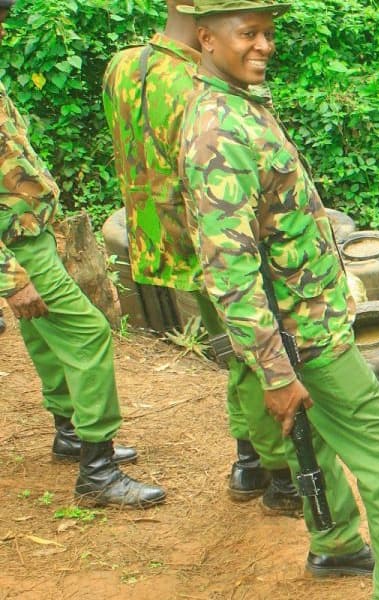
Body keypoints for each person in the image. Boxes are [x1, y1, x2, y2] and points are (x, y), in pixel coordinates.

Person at [177, 0, 379, 595]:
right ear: (207, 38)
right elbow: (229, 268)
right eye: (249, 34)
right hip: (302, 336)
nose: (263, 45)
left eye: (267, 33)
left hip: (300, 321)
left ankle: (336, 544)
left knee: (312, 438)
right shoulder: (218, 131)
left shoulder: (235, 103)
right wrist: (274, 369)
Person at [102, 0, 299, 512]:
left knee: (233, 356)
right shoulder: (200, 85)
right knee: (254, 358)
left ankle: (248, 462)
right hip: (211, 244)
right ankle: (278, 474)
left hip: (155, 239)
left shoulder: (124, 65)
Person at [0, 0, 165, 508]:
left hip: (28, 234)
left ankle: (69, 432)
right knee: (88, 333)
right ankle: (98, 469)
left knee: (46, 335)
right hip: (16, 246)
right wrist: (10, 276)